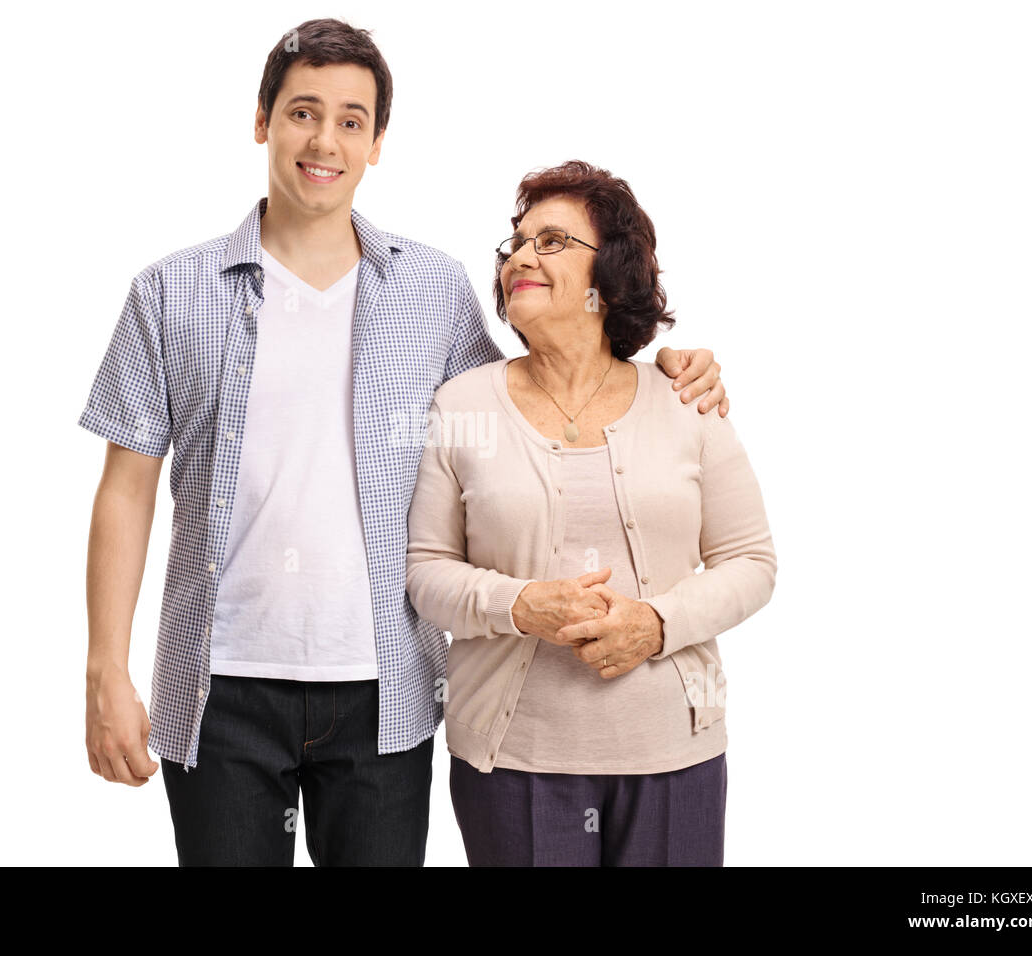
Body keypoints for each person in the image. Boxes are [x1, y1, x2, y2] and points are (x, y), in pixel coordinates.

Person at [78, 19, 731, 867]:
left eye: (352, 120)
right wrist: (106, 670)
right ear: (262, 121)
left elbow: (535, 397)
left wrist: (665, 364)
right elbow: (124, 490)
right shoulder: (171, 291)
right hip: (217, 689)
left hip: (387, 690)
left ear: (377, 142)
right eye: (303, 112)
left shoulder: (430, 289)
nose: (325, 139)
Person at [405, 160, 776, 866]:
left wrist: (656, 623)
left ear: (607, 275)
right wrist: (519, 605)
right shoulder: (463, 404)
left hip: (676, 754)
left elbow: (752, 562)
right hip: (513, 763)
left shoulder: (685, 399)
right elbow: (425, 573)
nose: (519, 257)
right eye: (515, 244)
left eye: (550, 242)